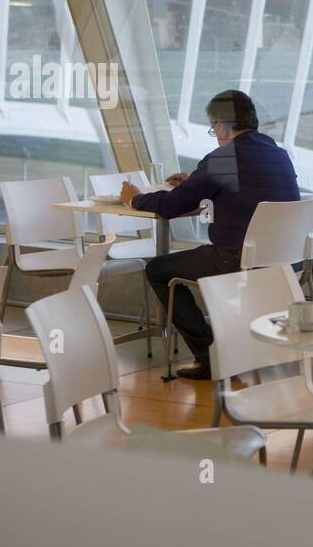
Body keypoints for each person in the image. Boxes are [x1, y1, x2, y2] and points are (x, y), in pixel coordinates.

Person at [123, 90, 300, 380]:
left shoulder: (225, 157)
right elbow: (243, 184)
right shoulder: (277, 153)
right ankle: (226, 350)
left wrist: (135, 197)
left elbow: (170, 206)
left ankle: (209, 356)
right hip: (285, 262)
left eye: (214, 126)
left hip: (237, 259)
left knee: (158, 269)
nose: (215, 133)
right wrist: (195, 180)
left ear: (223, 125)